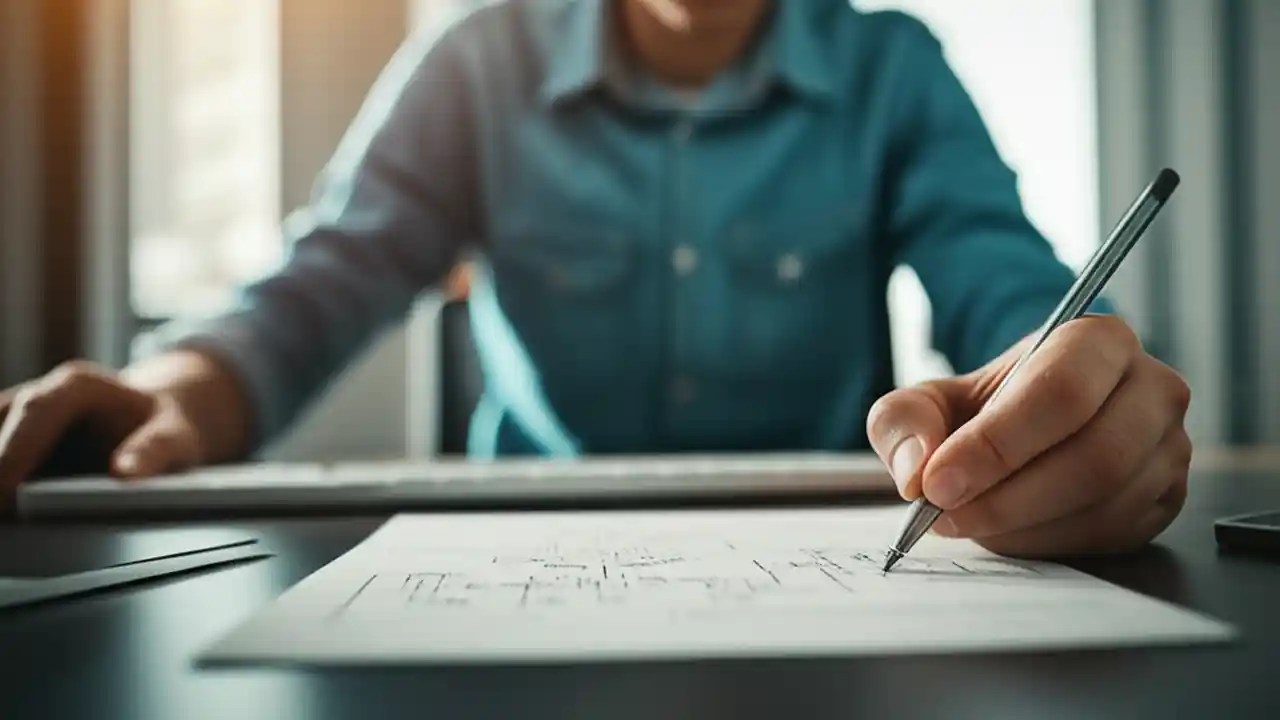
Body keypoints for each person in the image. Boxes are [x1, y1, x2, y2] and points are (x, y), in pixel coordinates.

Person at [0, 0, 1190, 557]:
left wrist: (1074, 399)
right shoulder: (474, 63)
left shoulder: (892, 68)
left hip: (835, 576)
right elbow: (316, 288)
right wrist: (173, 387)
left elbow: (1016, 298)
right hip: (506, 573)